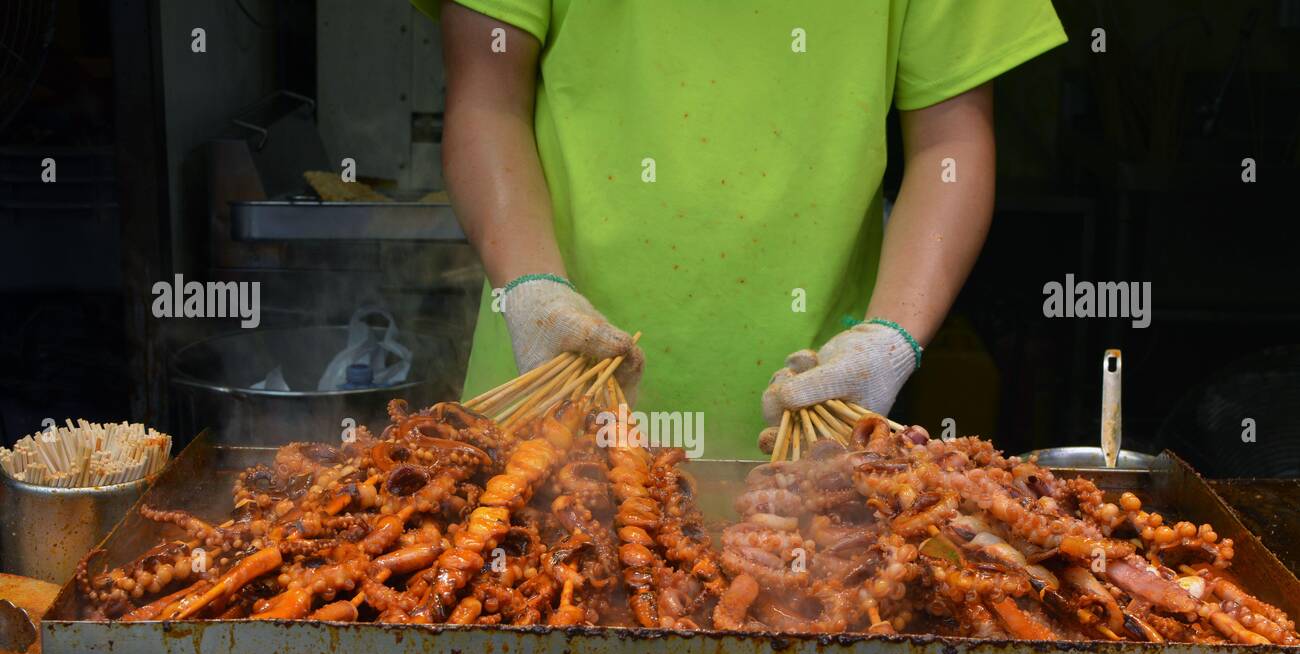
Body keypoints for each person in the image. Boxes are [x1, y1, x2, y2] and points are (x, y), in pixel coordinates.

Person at [421, 0, 1066, 458]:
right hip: (546, 414)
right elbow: (486, 98)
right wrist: (531, 287)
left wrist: (891, 337)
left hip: (811, 433)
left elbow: (949, 146)